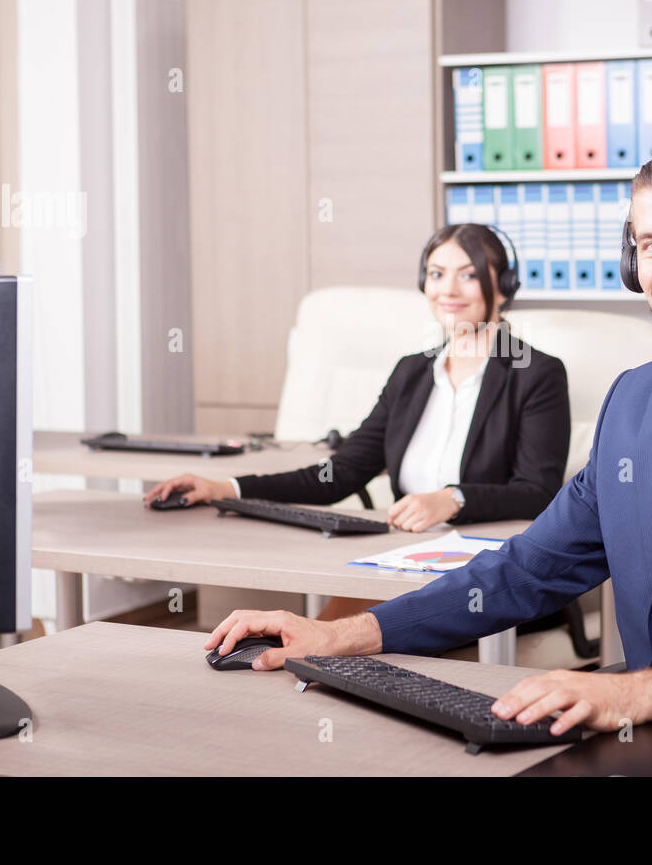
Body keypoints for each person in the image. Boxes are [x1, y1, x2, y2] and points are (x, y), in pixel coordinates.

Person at [204, 142, 652, 735]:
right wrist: (340, 635)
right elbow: (523, 573)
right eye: (651, 244)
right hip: (640, 734)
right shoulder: (632, 402)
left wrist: (643, 694)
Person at [145, 223, 571, 622]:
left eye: (468, 275)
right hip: (404, 559)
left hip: (489, 570)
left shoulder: (536, 374)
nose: (448, 290)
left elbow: (537, 492)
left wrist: (454, 499)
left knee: (327, 639)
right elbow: (340, 474)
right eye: (437, 274)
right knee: (312, 641)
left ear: (504, 286)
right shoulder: (411, 373)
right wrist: (226, 489)